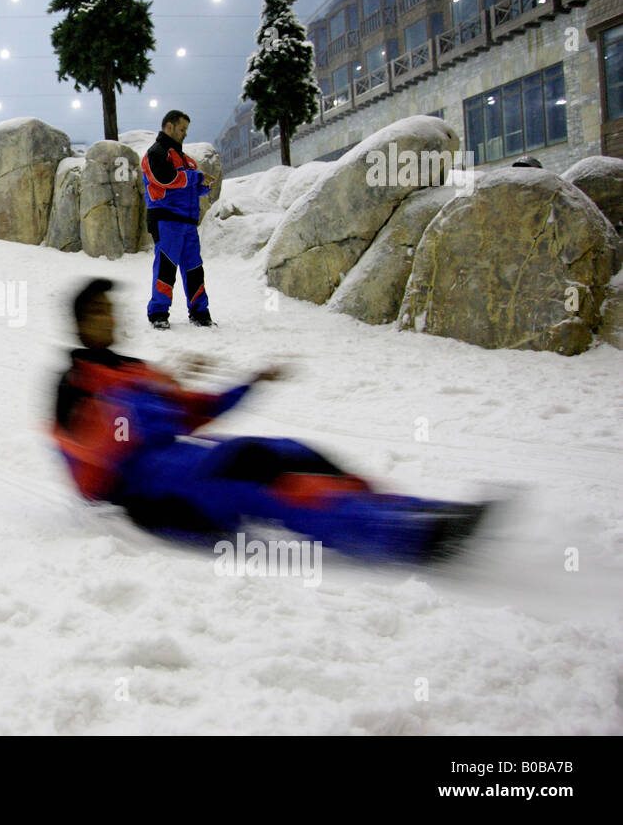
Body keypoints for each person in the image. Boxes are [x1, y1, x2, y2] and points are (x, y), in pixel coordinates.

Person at [52, 278, 489, 561]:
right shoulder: (73, 384)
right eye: (96, 312)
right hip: (151, 490)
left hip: (184, 461)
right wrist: (134, 403)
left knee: (291, 452)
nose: (108, 318)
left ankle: (414, 510)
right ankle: (409, 537)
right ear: (78, 324)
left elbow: (194, 411)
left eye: (109, 308)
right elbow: (89, 473)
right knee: (261, 473)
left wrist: (251, 381)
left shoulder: (132, 369)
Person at [143, 109, 214, 329]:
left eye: (186, 130)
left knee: (194, 268)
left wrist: (203, 186)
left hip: (188, 223)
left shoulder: (187, 160)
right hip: (166, 220)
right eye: (182, 129)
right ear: (169, 126)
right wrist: (197, 177)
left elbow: (189, 186)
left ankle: (200, 312)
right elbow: (166, 179)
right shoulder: (156, 153)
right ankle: (158, 313)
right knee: (166, 267)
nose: (185, 134)